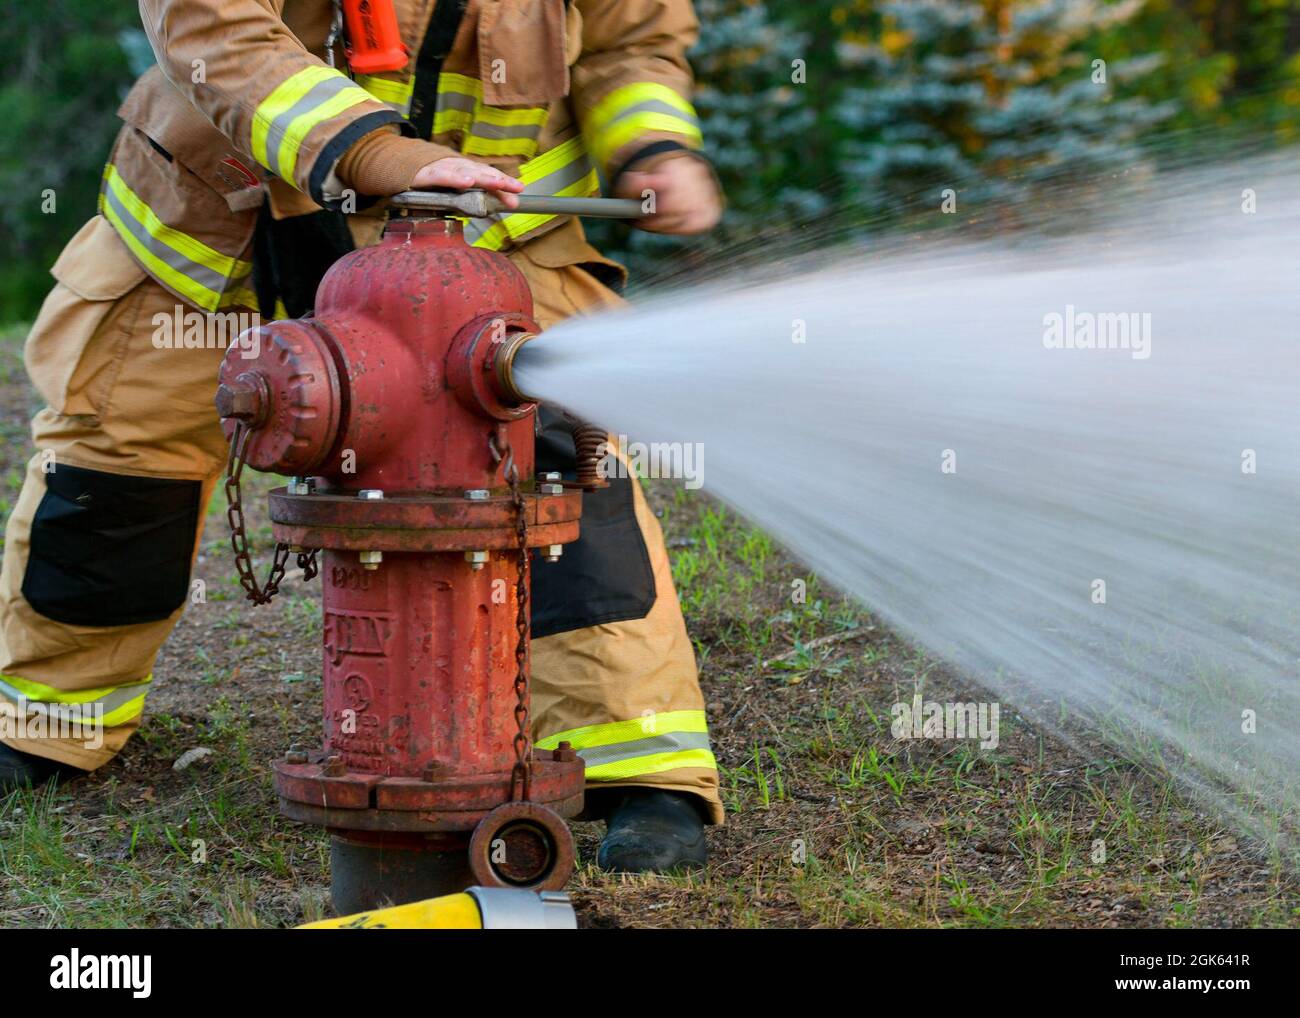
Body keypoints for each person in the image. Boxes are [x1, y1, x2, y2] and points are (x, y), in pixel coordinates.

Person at [0, 0, 724, 873]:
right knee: (122, 471)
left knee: (563, 478)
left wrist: (651, 149)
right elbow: (212, 26)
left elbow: (631, 39)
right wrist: (380, 155)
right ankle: (44, 721)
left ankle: (631, 761)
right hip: (220, 232)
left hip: (496, 238)